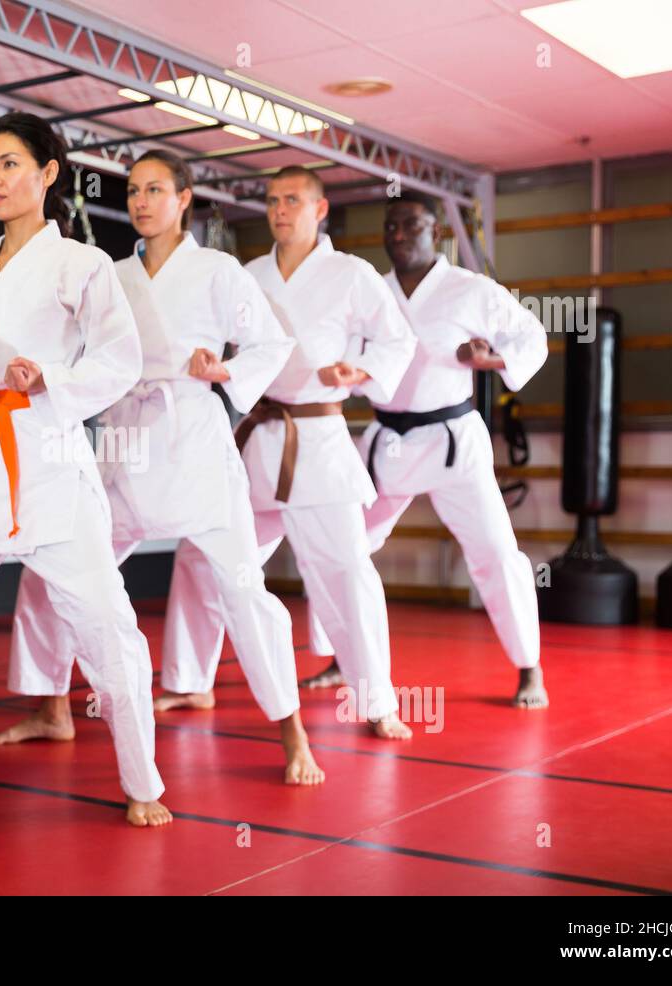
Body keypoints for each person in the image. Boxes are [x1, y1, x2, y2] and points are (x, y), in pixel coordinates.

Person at [3, 150, 325, 784]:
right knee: (53, 573)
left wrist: (225, 370)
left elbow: (271, 343)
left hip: (193, 436)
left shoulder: (216, 269)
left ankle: (293, 733)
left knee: (242, 587)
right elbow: (79, 350)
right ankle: (49, 706)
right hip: (123, 440)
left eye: (156, 190)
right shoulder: (110, 272)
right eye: (132, 191)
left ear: (185, 197)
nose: (141, 201)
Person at [0, 112, 172, 826]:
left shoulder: (82, 263)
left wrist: (50, 380)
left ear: (49, 174)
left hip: (51, 469)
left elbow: (120, 360)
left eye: (9, 164)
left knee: (106, 628)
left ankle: (143, 781)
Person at [161, 165, 419, 739]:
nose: (281, 210)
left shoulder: (351, 274)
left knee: (347, 569)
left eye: (293, 200)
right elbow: (220, 340)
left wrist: (363, 369)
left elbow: (398, 339)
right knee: (202, 554)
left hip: (319, 436)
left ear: (319, 209)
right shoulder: (247, 273)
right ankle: (189, 679)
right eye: (273, 200)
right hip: (259, 436)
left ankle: (377, 700)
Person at [342, 191, 549, 708]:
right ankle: (339, 657)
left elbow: (533, 338)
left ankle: (529, 666)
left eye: (410, 224)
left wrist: (491, 359)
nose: (398, 234)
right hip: (388, 439)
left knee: (496, 552)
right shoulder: (371, 292)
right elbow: (345, 355)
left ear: (435, 232)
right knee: (343, 548)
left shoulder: (468, 289)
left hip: (454, 440)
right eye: (391, 225)